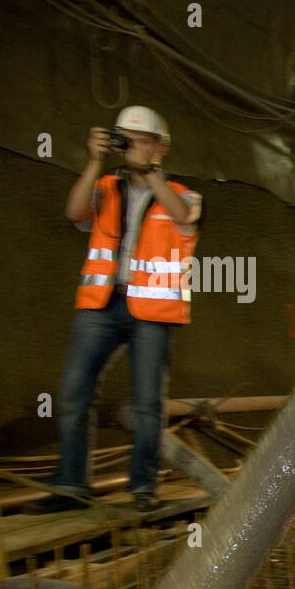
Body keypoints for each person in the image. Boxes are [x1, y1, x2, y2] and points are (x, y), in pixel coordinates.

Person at [27, 106, 201, 515]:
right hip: (101, 304)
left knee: (146, 403)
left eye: (140, 139)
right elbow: (74, 213)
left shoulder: (185, 194)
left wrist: (151, 171)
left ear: (160, 146)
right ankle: (71, 484)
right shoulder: (106, 186)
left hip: (153, 310)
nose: (131, 146)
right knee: (73, 392)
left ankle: (143, 487)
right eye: (125, 138)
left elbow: (183, 218)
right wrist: (93, 160)